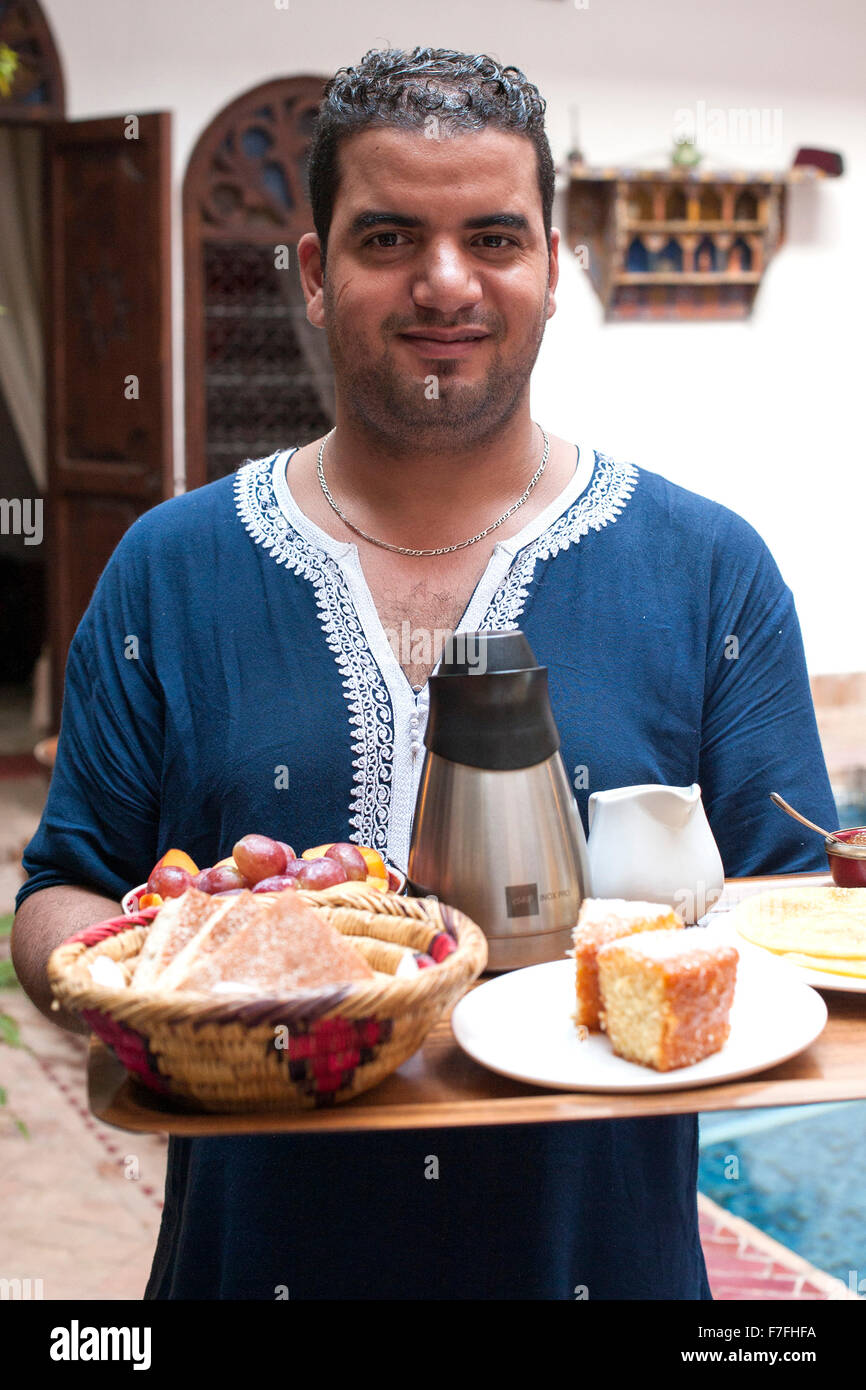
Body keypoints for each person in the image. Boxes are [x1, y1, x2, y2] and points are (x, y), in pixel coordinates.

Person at [12, 46, 837, 1300]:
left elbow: (794, 913)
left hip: (599, 1269)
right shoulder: (172, 570)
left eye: (493, 236)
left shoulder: (705, 569)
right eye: (388, 236)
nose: (443, 282)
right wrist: (154, 998)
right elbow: (63, 890)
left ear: (552, 267)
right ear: (311, 270)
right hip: (255, 1269)